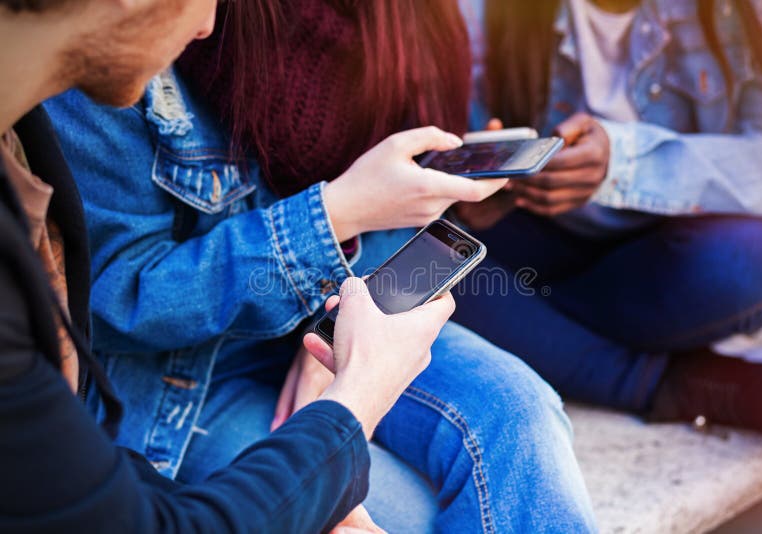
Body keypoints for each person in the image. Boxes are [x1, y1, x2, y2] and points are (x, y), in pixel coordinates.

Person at [45, 1, 597, 532]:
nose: (206, 23)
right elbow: (118, 295)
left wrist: (334, 316)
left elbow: (396, 220)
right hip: (188, 378)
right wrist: (336, 215)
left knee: (519, 411)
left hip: (337, 319)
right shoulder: (135, 35)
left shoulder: (412, 19)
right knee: (408, 518)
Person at [452, 0, 762, 439]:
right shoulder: (474, 11)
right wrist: (474, 187)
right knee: (416, 271)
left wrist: (626, 165)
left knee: (754, 261)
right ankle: (659, 381)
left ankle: (540, 329)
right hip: (534, 236)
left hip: (670, 253)